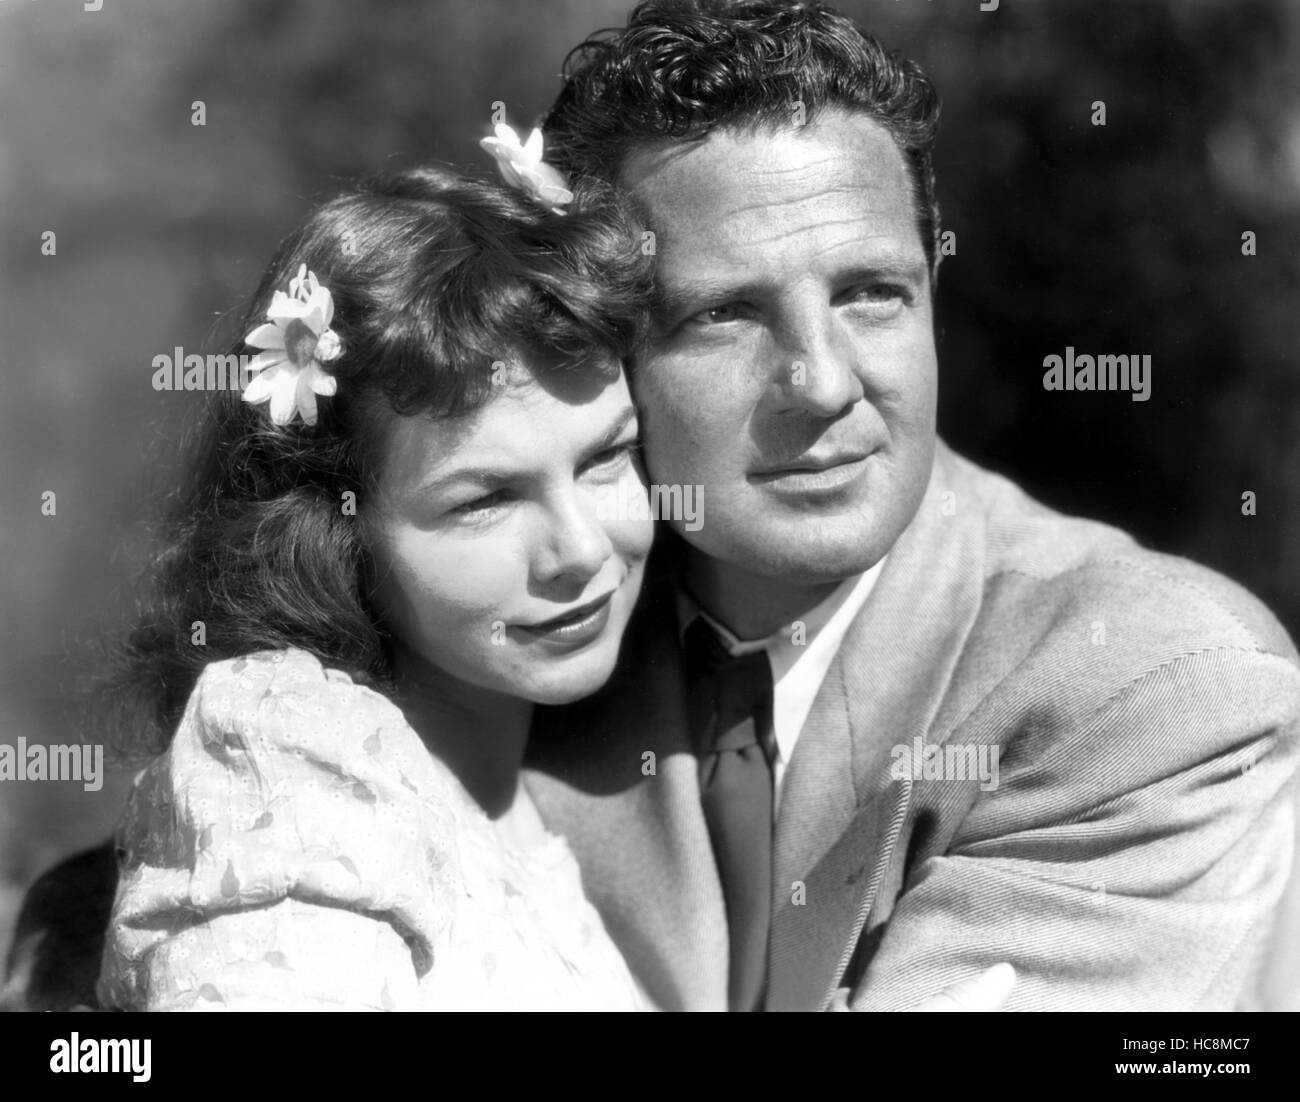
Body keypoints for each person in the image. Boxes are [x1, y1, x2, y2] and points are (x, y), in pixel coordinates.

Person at [518, 0, 1300, 1011]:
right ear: (605, 349)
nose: (821, 382)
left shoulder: (1167, 681)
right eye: (723, 314)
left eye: (868, 294)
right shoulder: (511, 637)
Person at [69, 160, 659, 1011]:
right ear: (335, 530)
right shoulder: (290, 755)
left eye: (606, 458)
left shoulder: (553, 765)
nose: (582, 548)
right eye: (486, 499)